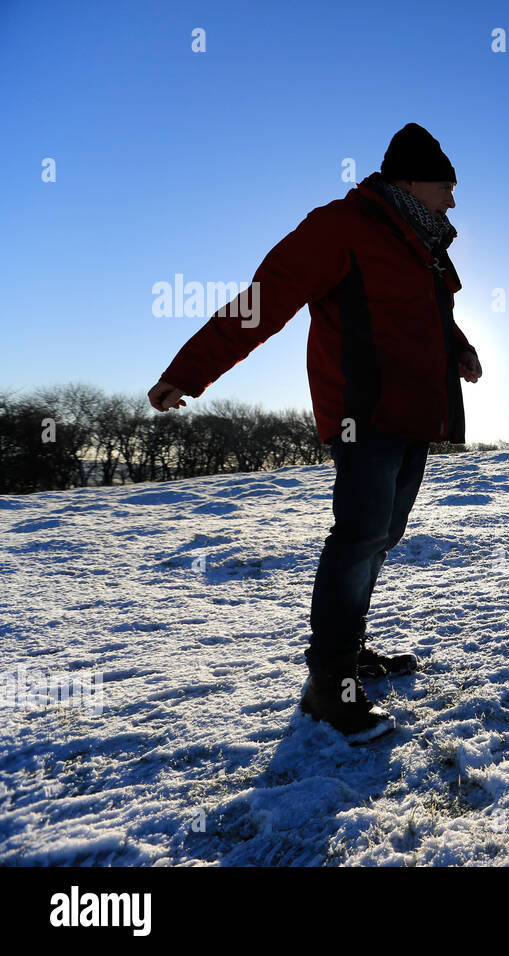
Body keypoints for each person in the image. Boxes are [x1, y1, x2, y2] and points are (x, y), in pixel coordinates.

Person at [149, 123, 482, 743]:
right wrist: (188, 371)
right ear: (410, 180)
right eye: (447, 187)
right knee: (358, 539)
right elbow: (263, 300)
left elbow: (431, 316)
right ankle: (330, 686)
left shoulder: (424, 244)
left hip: (414, 413)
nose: (453, 201)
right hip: (364, 413)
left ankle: (348, 655)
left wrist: (459, 349)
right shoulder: (340, 226)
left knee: (381, 538)